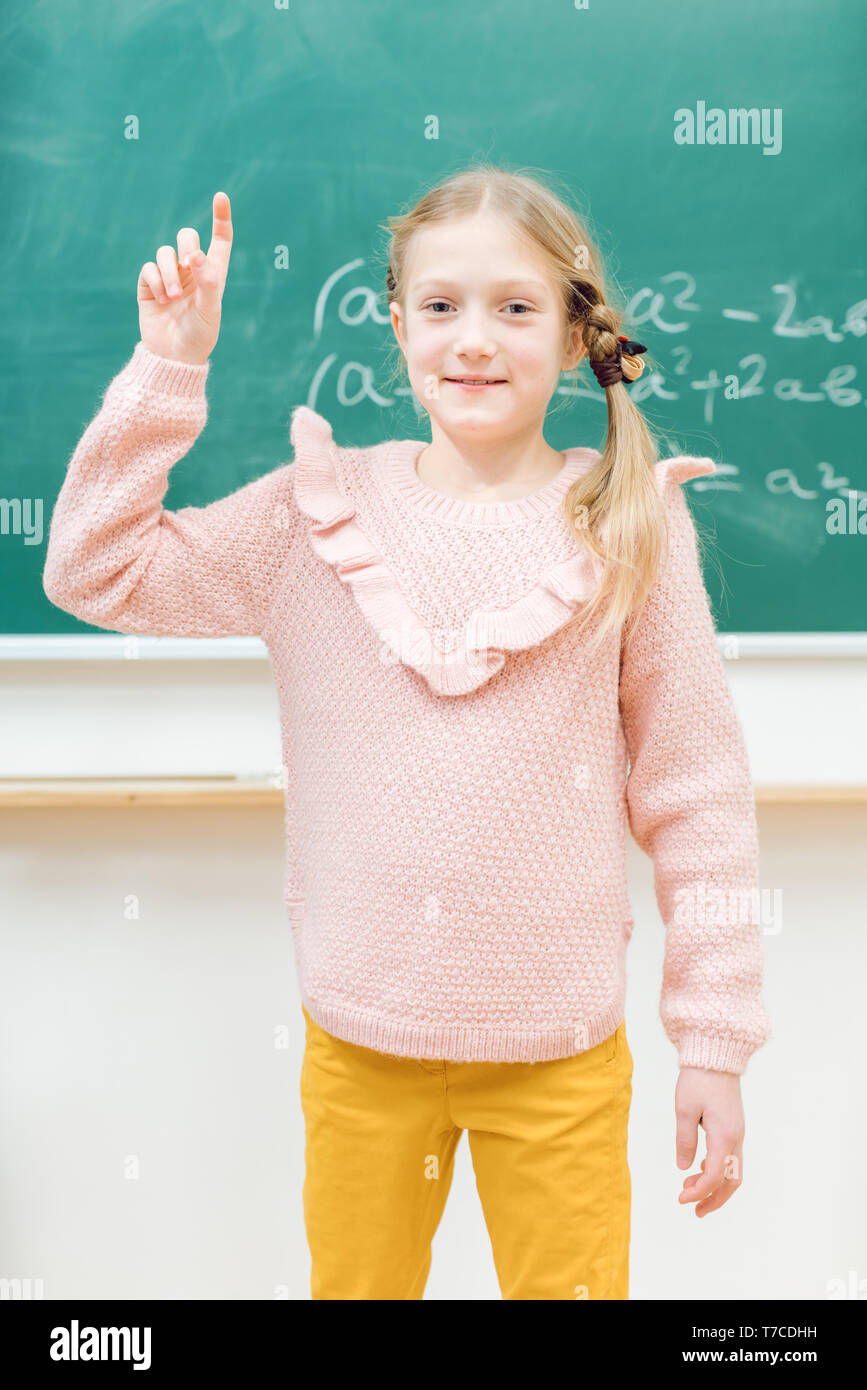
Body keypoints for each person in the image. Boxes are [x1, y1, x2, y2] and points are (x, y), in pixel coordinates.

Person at [42, 167, 772, 1300]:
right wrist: (168, 366)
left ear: (578, 331)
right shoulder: (312, 514)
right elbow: (95, 568)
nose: (474, 340)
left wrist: (714, 1040)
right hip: (362, 1050)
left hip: (560, 1058)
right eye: (440, 306)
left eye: (516, 308)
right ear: (395, 320)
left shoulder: (630, 524)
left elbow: (700, 792)